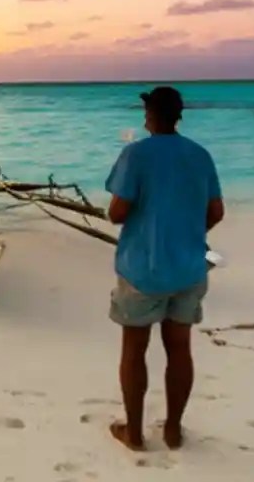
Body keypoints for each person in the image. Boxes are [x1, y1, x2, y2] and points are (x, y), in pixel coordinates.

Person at [103, 85, 224, 452]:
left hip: (143, 270)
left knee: (134, 349)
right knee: (180, 349)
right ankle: (172, 430)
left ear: (151, 116)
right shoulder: (200, 155)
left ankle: (135, 433)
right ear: (179, 116)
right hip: (189, 268)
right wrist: (186, 233)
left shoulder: (135, 154)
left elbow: (116, 213)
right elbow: (216, 212)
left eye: (146, 112)